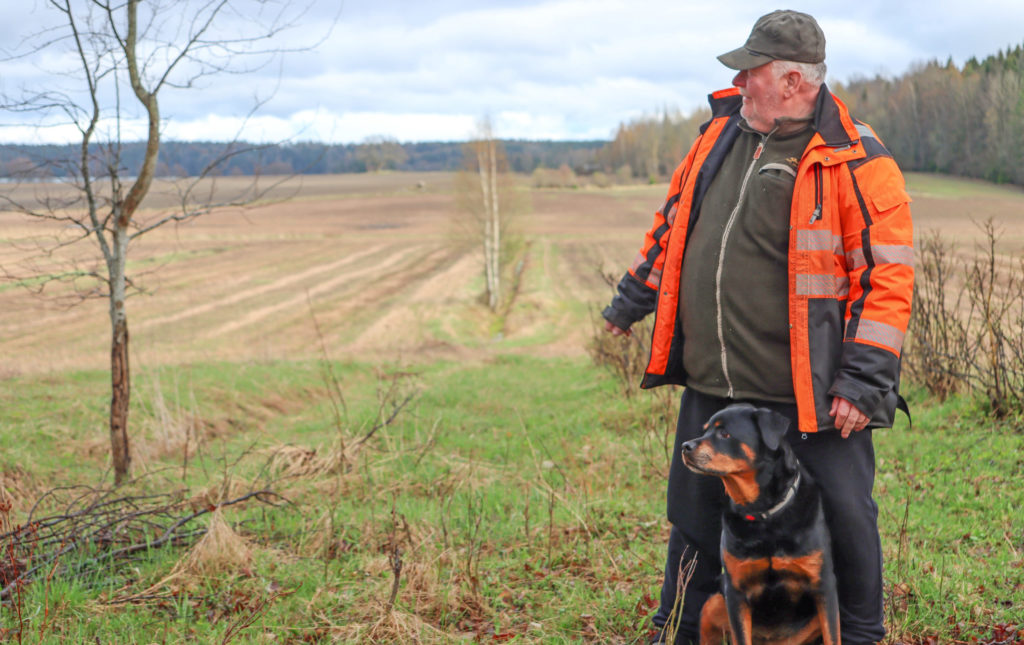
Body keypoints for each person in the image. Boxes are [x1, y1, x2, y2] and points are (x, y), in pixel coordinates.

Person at [601, 10, 913, 645]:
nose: (742, 86)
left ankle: (858, 636)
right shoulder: (718, 138)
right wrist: (634, 295)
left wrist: (863, 381)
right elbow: (675, 226)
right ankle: (680, 631)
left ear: (794, 80)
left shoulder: (859, 158)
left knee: (849, 517)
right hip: (715, 381)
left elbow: (888, 275)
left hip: (811, 390)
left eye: (753, 74)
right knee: (692, 516)